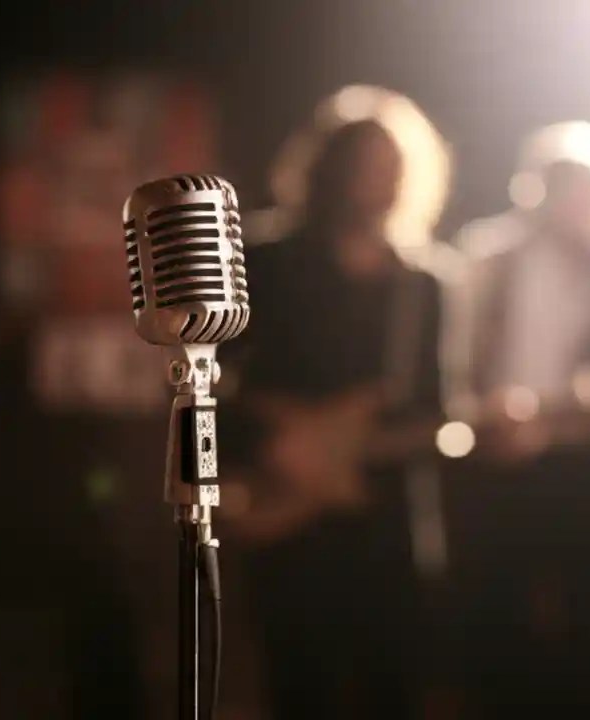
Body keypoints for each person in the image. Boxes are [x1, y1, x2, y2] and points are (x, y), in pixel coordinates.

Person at [222, 108, 446, 720]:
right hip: (282, 508)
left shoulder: (419, 284)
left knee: (391, 688)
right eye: (365, 165)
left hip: (384, 518)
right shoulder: (263, 261)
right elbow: (207, 380)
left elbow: (431, 408)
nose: (379, 181)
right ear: (328, 169)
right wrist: (277, 439)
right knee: (298, 684)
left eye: (391, 167)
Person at [440, 123, 590, 716]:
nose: (575, 202)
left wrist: (566, 416)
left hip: (582, 455)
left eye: (587, 190)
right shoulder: (487, 256)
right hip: (498, 450)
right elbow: (455, 357)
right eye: (563, 186)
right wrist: (482, 416)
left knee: (583, 607)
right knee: (496, 607)